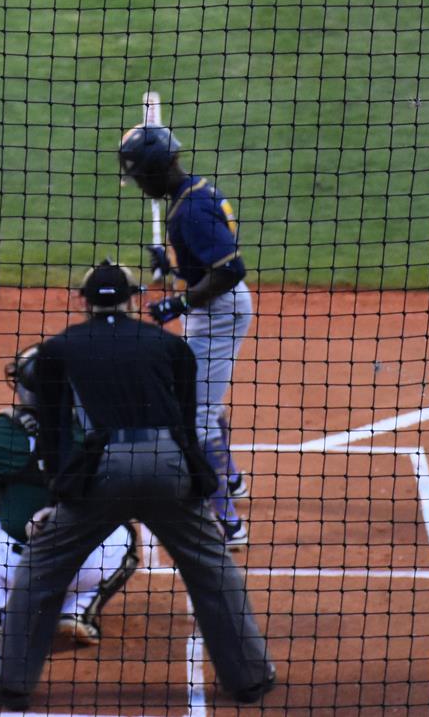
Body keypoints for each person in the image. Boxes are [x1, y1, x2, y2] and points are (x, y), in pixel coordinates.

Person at [0, 262, 275, 710]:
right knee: (213, 570)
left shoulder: (60, 348)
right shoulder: (170, 346)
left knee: (40, 570)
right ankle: (251, 678)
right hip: (170, 462)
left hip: (104, 468)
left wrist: (60, 495)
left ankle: (10, 684)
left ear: (83, 302)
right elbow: (189, 422)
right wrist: (197, 485)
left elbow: (56, 430)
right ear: (133, 299)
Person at [0, 345, 141, 647]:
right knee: (124, 533)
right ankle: (78, 612)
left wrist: (16, 494)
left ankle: (5, 613)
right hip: (82, 563)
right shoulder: (97, 431)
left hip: (16, 568)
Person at [118, 118, 254, 546]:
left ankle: (226, 523)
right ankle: (229, 480)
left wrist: (178, 302)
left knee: (193, 418)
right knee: (201, 400)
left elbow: (230, 270)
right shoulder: (191, 194)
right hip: (212, 310)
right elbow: (204, 264)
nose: (138, 185)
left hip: (217, 314)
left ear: (156, 170)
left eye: (139, 176)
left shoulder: (190, 210)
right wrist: (171, 266)